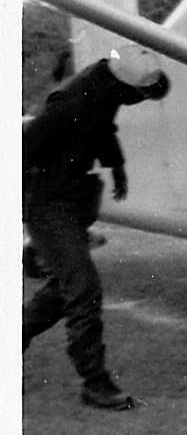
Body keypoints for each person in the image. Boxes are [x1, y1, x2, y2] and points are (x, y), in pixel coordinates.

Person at [23, 45, 170, 410]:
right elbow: (24, 147)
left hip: (69, 199)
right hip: (49, 203)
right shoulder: (74, 101)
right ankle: (95, 384)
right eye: (141, 94)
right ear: (126, 88)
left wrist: (117, 167)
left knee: (66, 290)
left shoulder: (106, 87)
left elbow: (102, 128)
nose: (141, 100)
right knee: (83, 288)